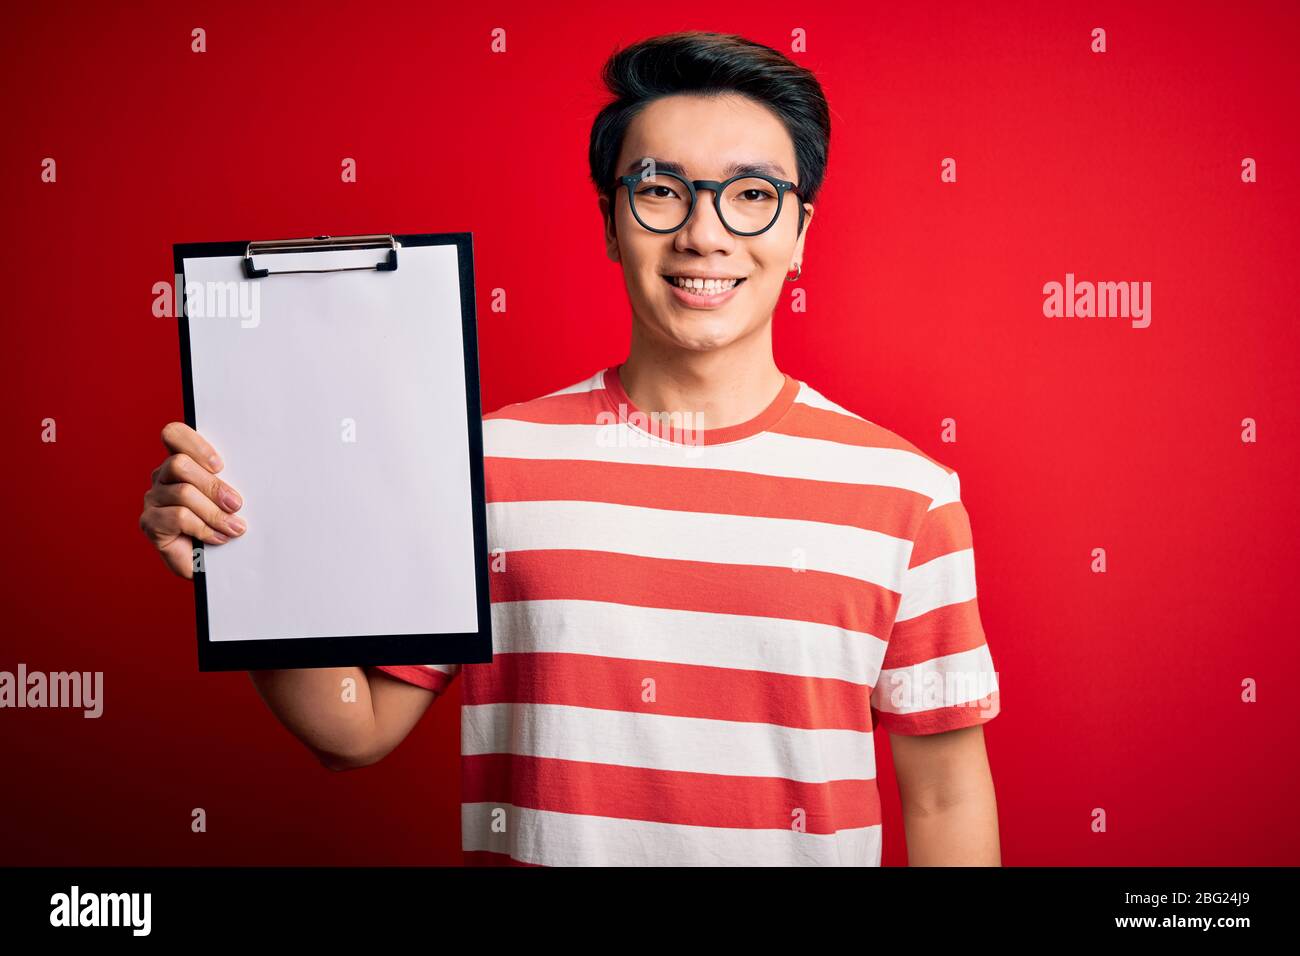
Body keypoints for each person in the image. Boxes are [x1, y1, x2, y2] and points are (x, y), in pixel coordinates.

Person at [139, 31, 1001, 866]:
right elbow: (351, 731)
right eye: (661, 190)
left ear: (801, 231)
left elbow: (946, 798)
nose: (705, 234)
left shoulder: (907, 496)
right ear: (610, 222)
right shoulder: (485, 466)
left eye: (751, 194)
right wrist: (245, 555)